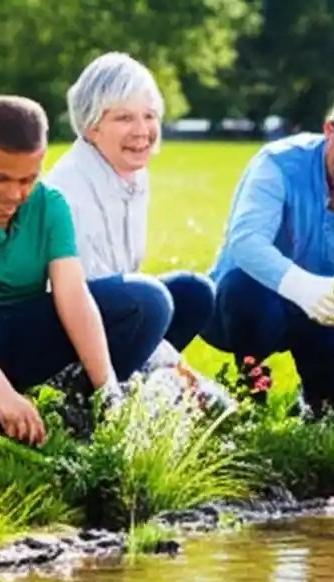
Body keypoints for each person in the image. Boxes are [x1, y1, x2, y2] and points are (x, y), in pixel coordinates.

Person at [0, 95, 172, 447]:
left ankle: (61, 417)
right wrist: (0, 391)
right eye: (1, 178)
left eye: (27, 179)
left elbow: (73, 297)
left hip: (20, 330)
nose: (14, 193)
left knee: (147, 301)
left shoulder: (50, 205)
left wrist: (108, 391)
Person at [200, 84, 334, 424]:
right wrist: (301, 286)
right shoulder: (279, 164)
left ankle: (320, 408)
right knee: (246, 289)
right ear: (330, 130)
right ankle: (249, 401)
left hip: (325, 313)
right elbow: (246, 241)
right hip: (243, 305)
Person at [43, 52, 215, 371]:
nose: (142, 131)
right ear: (92, 127)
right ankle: (88, 390)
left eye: (149, 116)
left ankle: (138, 380)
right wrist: (172, 362)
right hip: (67, 323)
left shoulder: (131, 173)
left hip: (111, 310)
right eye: (124, 118)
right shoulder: (68, 190)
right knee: (150, 299)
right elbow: (81, 294)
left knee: (194, 293)